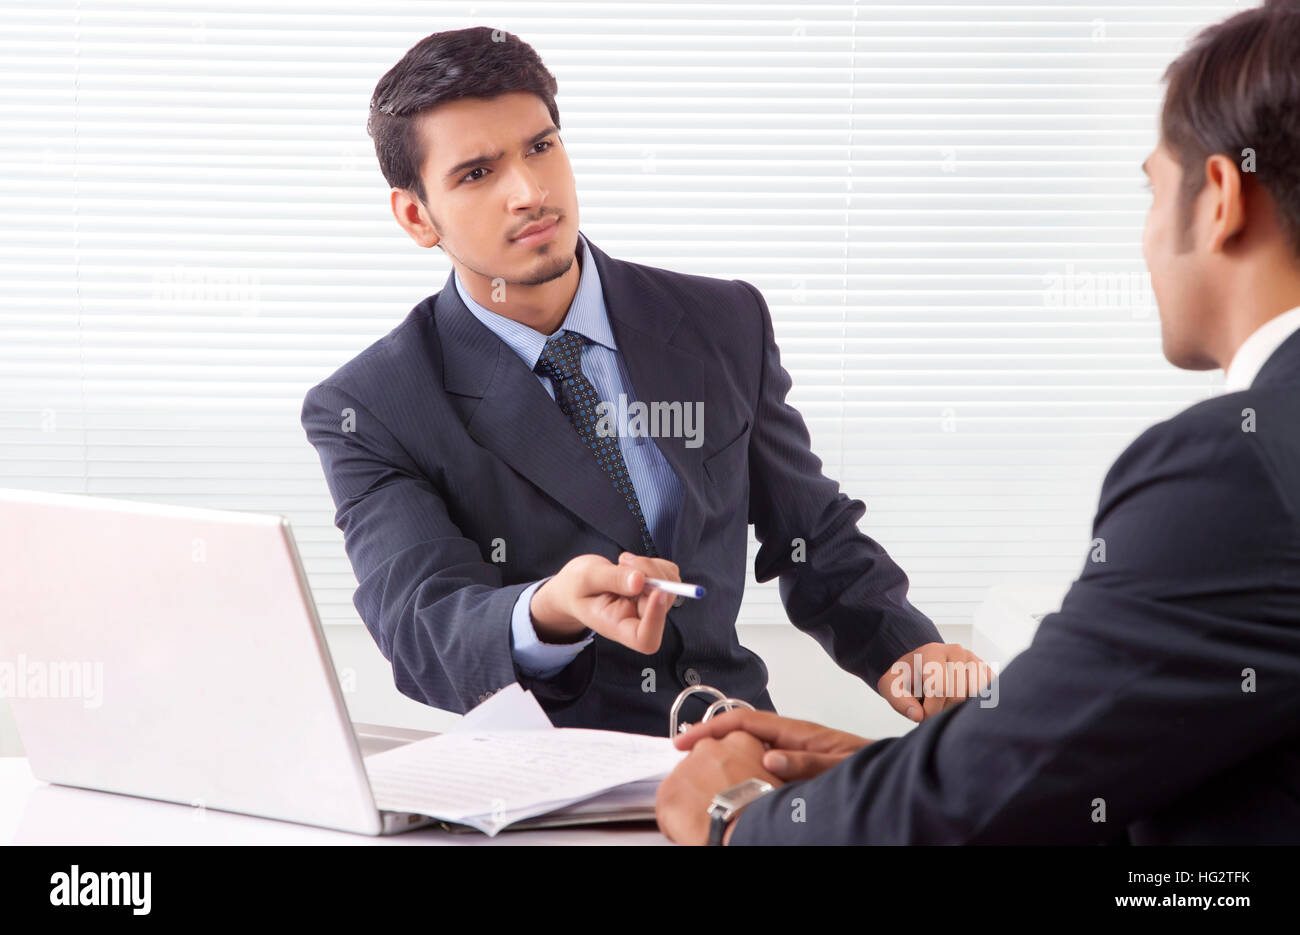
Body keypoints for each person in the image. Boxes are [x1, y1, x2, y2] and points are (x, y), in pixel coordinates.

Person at [656, 0, 1300, 843]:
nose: (1144, 238)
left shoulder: (1240, 465)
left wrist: (738, 816)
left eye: (1153, 188)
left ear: (1220, 196)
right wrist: (875, 771)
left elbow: (994, 792)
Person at [300, 27, 989, 736]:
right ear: (417, 216)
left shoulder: (724, 320)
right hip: (551, 790)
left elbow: (812, 537)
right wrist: (550, 608)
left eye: (541, 146)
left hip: (742, 752)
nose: (530, 192)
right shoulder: (371, 405)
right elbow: (424, 626)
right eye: (477, 173)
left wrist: (914, 653)